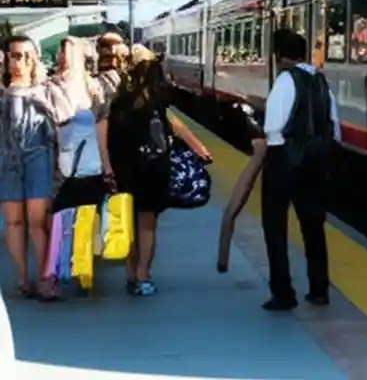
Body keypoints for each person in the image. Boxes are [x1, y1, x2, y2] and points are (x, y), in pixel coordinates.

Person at [106, 49, 211, 296]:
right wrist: (198, 148)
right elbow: (175, 129)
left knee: (128, 224)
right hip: (154, 168)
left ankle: (131, 273)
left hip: (125, 170)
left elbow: (112, 138)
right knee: (147, 227)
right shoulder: (159, 99)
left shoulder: (120, 101)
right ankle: (144, 276)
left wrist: (110, 169)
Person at [260, 28, 340, 311]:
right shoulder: (321, 81)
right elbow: (334, 124)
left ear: (280, 55)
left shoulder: (285, 80)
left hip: (285, 159)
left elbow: (273, 126)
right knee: (313, 226)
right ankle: (319, 289)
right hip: (317, 161)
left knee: (275, 226)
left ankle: (283, 293)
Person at [0, 35, 59, 300]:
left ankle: (46, 278)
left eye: (26, 55)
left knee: (37, 222)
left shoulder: (46, 90)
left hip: (38, 157)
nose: (20, 61)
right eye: (15, 55)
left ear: (35, 60)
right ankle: (23, 278)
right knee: (13, 221)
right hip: (6, 160)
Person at [48, 38, 114, 213]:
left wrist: (107, 166)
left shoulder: (93, 86)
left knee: (90, 220)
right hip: (61, 167)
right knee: (63, 222)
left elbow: (102, 126)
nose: (62, 56)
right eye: (61, 51)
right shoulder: (49, 86)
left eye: (67, 51)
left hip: (90, 166)